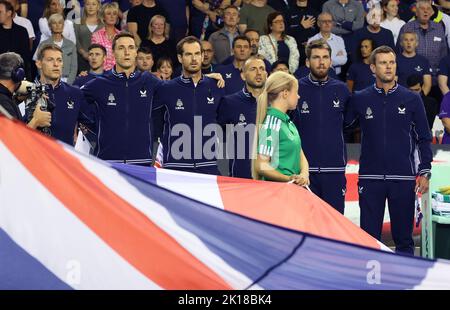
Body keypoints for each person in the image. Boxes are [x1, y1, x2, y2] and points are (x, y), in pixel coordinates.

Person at [345, 45, 432, 255]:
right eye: (383, 63)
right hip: (370, 177)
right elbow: (341, 127)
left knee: (404, 240)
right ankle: (369, 284)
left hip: (402, 177)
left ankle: (405, 285)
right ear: (373, 68)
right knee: (368, 239)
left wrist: (425, 170)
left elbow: (424, 137)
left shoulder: (411, 98)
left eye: (392, 62)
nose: (388, 67)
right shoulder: (360, 98)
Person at [81, 32, 162, 165]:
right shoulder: (99, 83)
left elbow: (176, 91)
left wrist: (206, 80)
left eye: (130, 47)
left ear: (136, 52)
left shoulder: (149, 81)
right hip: (107, 163)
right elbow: (72, 98)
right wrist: (89, 130)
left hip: (141, 163)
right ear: (113, 53)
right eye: (121, 48)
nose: (126, 52)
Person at [291, 39, 351, 214]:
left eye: (325, 57)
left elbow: (348, 124)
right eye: (316, 57)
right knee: (305, 224)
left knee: (334, 223)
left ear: (331, 61)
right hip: (303, 172)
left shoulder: (342, 89)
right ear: (308, 62)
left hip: (334, 170)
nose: (321, 61)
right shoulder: (296, 88)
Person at [152, 36, 226, 175]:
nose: (194, 59)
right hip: (175, 165)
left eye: (197, 54)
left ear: (203, 56)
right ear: (180, 58)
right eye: (188, 54)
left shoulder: (216, 86)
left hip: (207, 164)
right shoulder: (166, 88)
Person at [252, 70, 309, 184]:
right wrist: (289, 179)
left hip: (291, 191)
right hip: (276, 193)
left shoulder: (288, 123)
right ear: (285, 93)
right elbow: (261, 165)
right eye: (296, 92)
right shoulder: (271, 124)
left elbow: (300, 155)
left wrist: (303, 175)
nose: (298, 96)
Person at [31, 44, 93, 145]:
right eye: (50, 60)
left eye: (59, 60)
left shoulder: (75, 93)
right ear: (39, 63)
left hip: (64, 159)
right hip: (35, 157)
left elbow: (92, 125)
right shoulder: (27, 93)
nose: (56, 64)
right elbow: (16, 135)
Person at [217, 55, 267, 178]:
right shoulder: (230, 102)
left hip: (270, 177)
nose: (259, 73)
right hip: (241, 177)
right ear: (243, 75)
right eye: (253, 69)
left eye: (262, 68)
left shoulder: (276, 102)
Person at [0, 52, 50, 129]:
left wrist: (17, 99)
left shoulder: (5, 98)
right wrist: (36, 120)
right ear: (19, 74)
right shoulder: (4, 103)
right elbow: (14, 138)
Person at [38, 13, 78, 84]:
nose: (57, 25)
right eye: (54, 23)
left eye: (60, 23)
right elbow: (39, 66)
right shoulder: (43, 45)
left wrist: (68, 84)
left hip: (67, 81)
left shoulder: (71, 45)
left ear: (63, 26)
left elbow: (74, 67)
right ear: (50, 26)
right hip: (48, 81)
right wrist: (46, 82)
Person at [0, 0, 30, 79]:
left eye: (0, 12)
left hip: (17, 75)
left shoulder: (22, 31)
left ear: (9, 13)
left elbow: (25, 57)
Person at [397, 31, 431, 95]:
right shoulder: (395, 60)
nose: (409, 43)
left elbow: (427, 84)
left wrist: (419, 98)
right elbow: (393, 82)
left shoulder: (424, 61)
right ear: (401, 43)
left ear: (416, 43)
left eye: (412, 40)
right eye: (406, 40)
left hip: (418, 98)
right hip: (400, 97)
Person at [74, 0, 103, 73]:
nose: (91, 7)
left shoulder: (103, 23)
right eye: (88, 4)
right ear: (84, 6)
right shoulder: (78, 22)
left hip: (99, 60)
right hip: (81, 59)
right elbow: (76, 40)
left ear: (98, 6)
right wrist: (83, 53)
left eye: (94, 4)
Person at [91, 2, 120, 71]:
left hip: (119, 74)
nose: (112, 16)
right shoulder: (96, 36)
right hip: (101, 74)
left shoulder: (121, 36)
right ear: (103, 17)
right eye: (109, 14)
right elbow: (95, 57)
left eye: (114, 14)